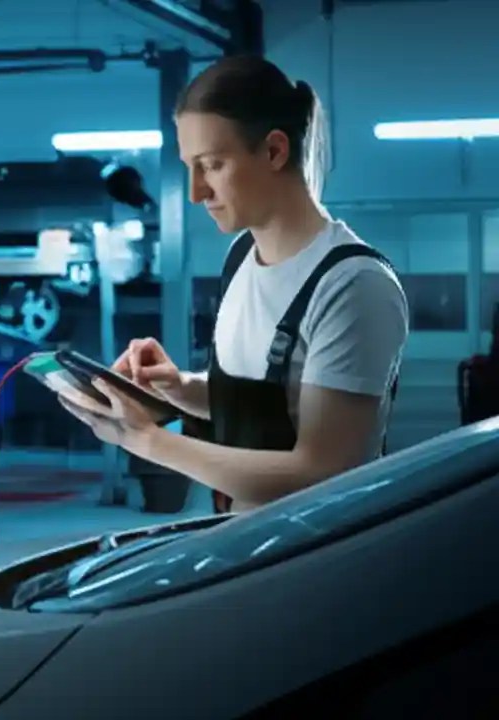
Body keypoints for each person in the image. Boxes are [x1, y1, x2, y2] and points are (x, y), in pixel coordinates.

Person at [61, 55, 409, 513]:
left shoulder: (352, 286)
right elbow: (274, 405)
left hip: (321, 563)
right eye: (190, 167)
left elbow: (323, 472)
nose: (195, 192)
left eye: (211, 165)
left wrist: (146, 440)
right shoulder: (241, 257)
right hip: (244, 544)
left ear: (273, 152)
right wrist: (179, 388)